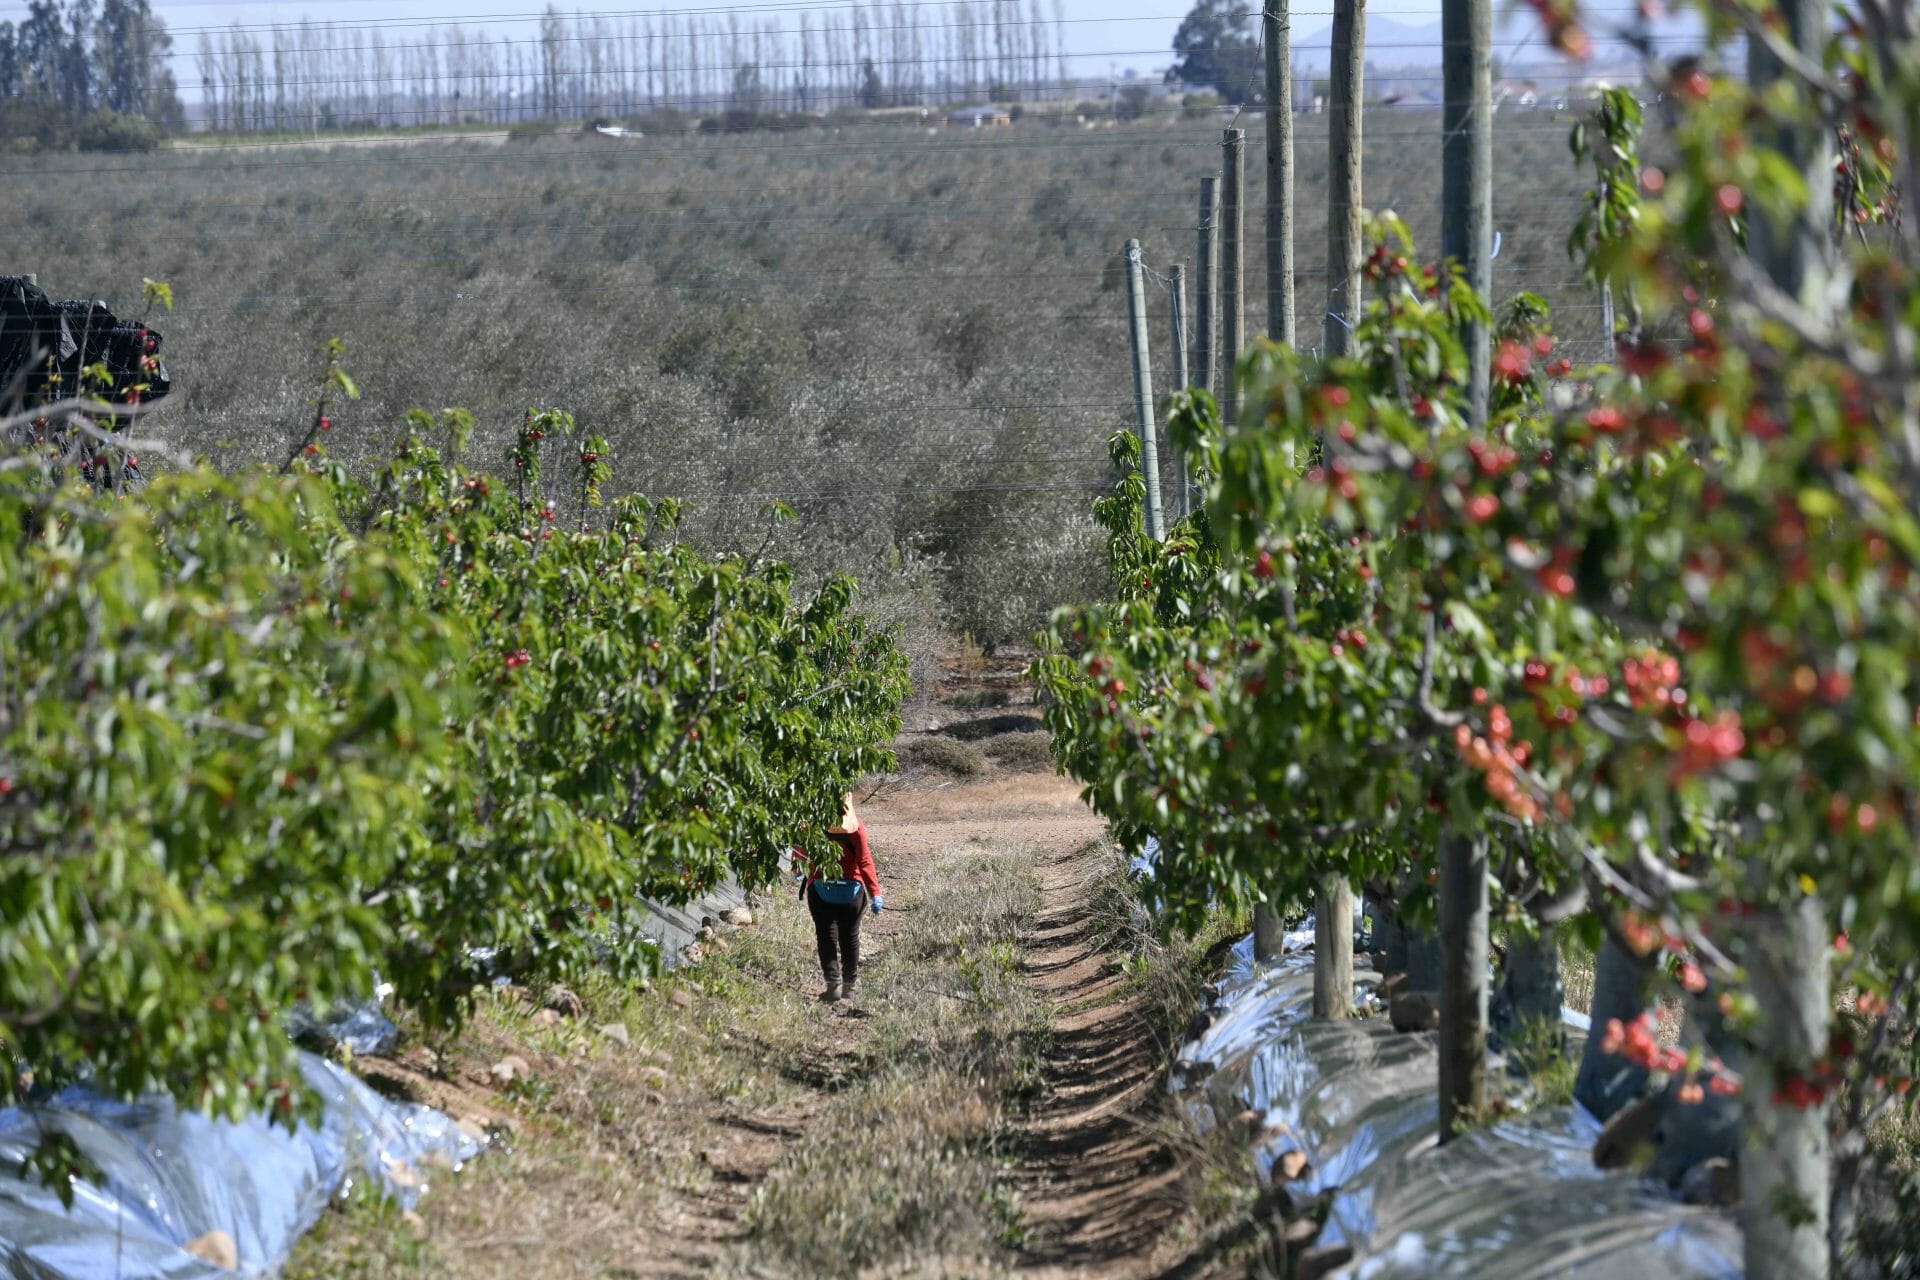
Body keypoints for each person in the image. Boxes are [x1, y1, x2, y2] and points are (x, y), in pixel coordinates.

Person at [800, 792, 883, 1002]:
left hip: (820, 890)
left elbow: (799, 852)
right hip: (852, 894)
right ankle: (850, 986)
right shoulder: (858, 829)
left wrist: (798, 870)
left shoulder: (811, 825)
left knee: (826, 938)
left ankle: (833, 985)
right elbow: (865, 862)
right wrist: (875, 894)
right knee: (850, 938)